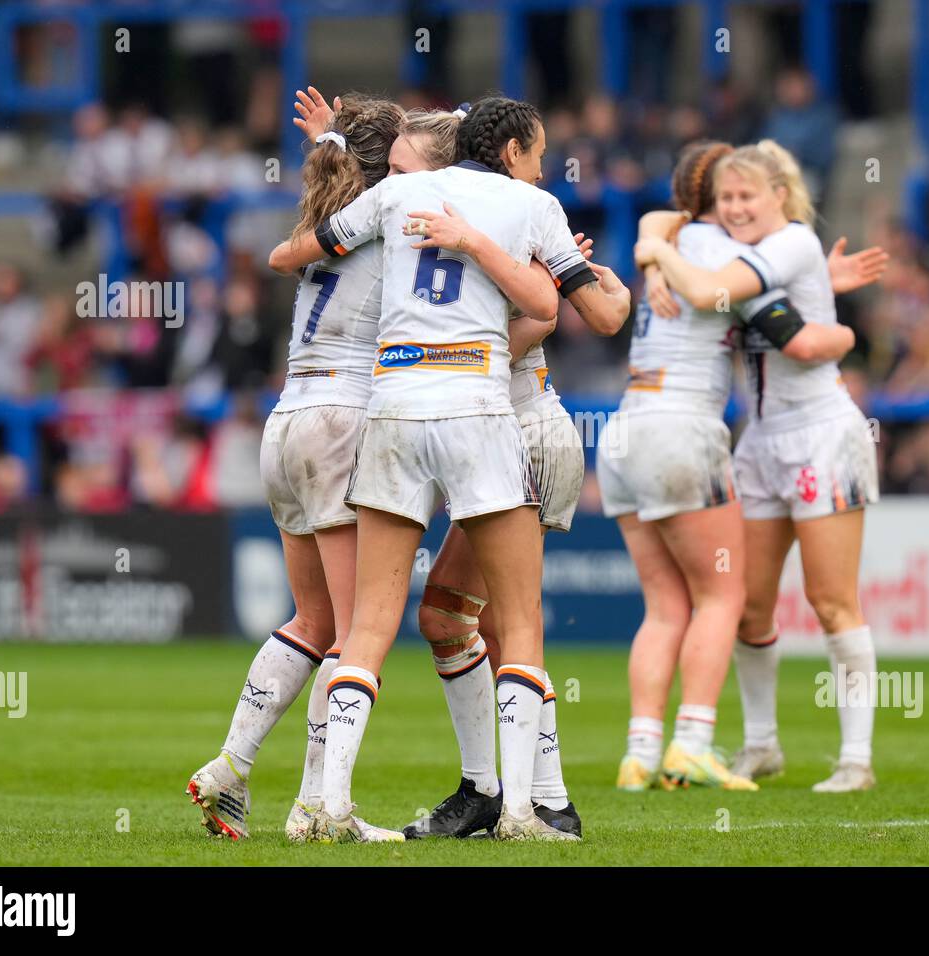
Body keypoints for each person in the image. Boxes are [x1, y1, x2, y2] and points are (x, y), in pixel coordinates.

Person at [267, 95, 630, 842]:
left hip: (426, 412)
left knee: (395, 624)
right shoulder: (527, 203)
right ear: (512, 152)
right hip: (481, 412)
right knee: (496, 623)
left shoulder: (398, 199)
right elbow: (582, 312)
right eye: (537, 151)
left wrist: (335, 155)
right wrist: (597, 285)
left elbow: (295, 251)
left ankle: (338, 805)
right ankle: (520, 806)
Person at [617, 142, 881, 792]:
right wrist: (657, 252)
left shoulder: (789, 243)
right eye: (728, 198)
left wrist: (841, 334)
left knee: (829, 600)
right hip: (759, 439)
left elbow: (745, 308)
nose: (735, 208)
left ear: (780, 199)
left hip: (820, 431)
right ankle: (761, 744)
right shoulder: (730, 247)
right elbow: (663, 226)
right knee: (748, 607)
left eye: (747, 198)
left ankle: (856, 759)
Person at [186, 94, 406, 842]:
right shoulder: (390, 216)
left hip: (286, 422)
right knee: (352, 634)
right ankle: (315, 806)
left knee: (312, 621)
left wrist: (330, 143)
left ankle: (230, 767)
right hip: (342, 421)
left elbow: (294, 242)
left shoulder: (324, 215)